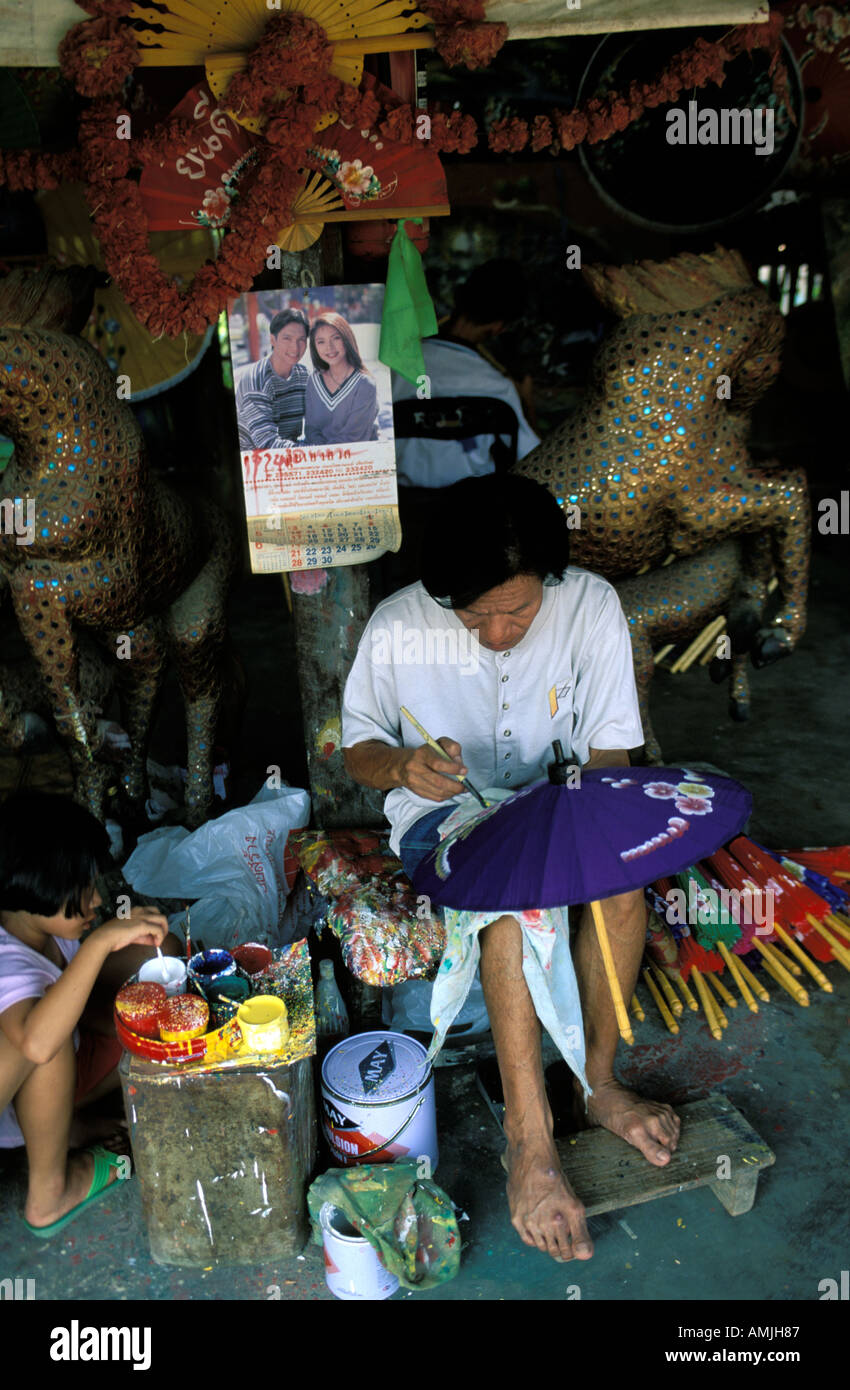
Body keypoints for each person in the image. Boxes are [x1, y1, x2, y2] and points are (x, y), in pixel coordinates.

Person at [341, 474, 681, 1264]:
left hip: (562, 797)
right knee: (505, 903)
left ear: (549, 584)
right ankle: (529, 1141)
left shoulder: (591, 605)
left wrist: (570, 821)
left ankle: (597, 1083)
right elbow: (356, 747)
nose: (497, 633)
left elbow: (610, 756)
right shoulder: (398, 625)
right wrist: (402, 767)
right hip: (444, 814)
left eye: (517, 612)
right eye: (474, 616)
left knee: (622, 883)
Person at [0, 792, 174, 1237]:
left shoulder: (40, 928)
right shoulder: (7, 960)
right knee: (45, 1036)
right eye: (85, 889)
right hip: (24, 1087)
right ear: (40, 887)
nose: (98, 900)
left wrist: (142, 1028)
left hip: (57, 1061)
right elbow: (37, 1043)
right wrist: (99, 943)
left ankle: (68, 1128)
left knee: (157, 953)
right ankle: (51, 1191)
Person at [390, 260, 540, 489]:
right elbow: (534, 464)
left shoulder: (396, 370)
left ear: (459, 300)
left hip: (402, 509)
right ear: (499, 327)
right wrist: (527, 403)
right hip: (471, 518)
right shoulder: (498, 387)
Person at [235, 308, 310, 451]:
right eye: (287, 338)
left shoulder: (303, 375)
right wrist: (315, 452)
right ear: (272, 339)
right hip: (254, 461)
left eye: (301, 340)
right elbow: (267, 443)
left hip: (289, 454)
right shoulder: (257, 381)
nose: (295, 347)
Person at [304, 313, 379, 445]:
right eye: (321, 342)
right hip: (322, 460)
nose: (329, 347)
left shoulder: (365, 384)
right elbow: (311, 430)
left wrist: (326, 456)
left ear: (346, 339)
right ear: (314, 347)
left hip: (359, 460)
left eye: (336, 338)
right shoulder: (313, 380)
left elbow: (353, 438)